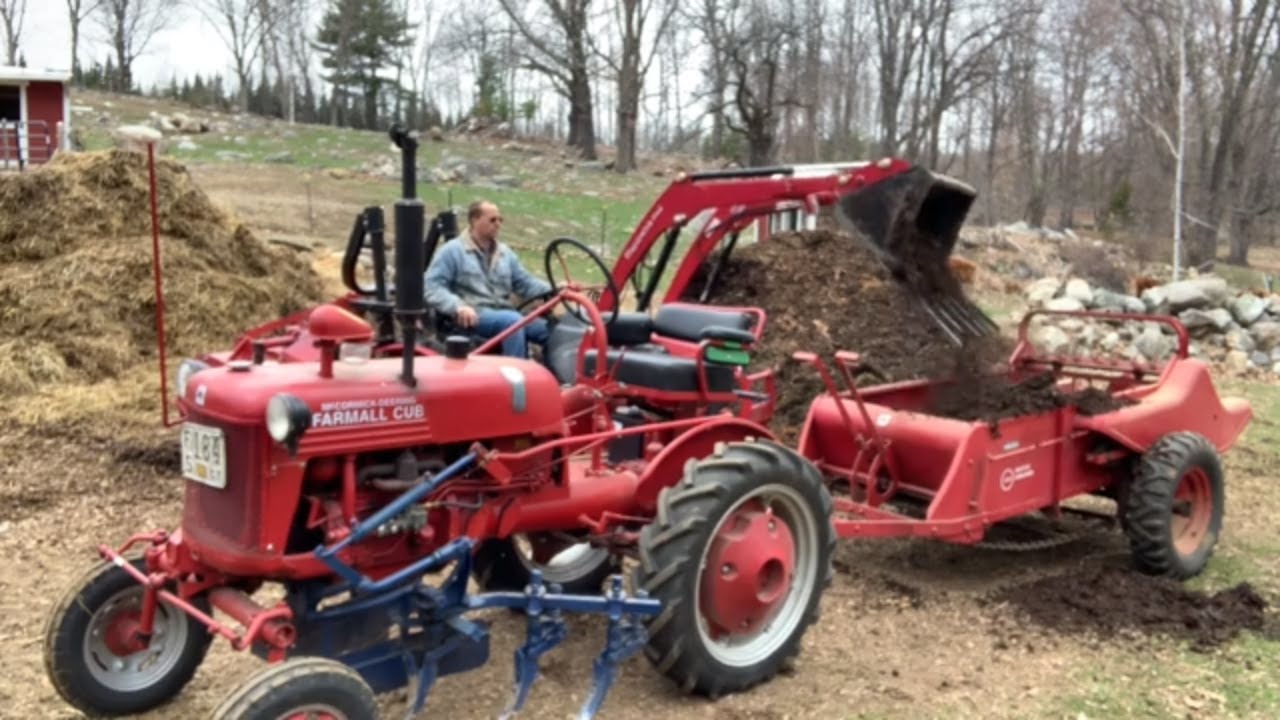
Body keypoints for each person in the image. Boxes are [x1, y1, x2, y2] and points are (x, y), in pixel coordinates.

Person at [424, 200, 553, 358]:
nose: (498, 224)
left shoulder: (505, 253)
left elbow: (525, 283)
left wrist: (554, 288)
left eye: (500, 220)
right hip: (473, 316)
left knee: (551, 331)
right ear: (474, 220)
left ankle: (556, 379)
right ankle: (517, 376)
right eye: (492, 220)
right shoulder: (452, 251)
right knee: (512, 321)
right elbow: (431, 286)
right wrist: (458, 306)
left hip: (505, 314)